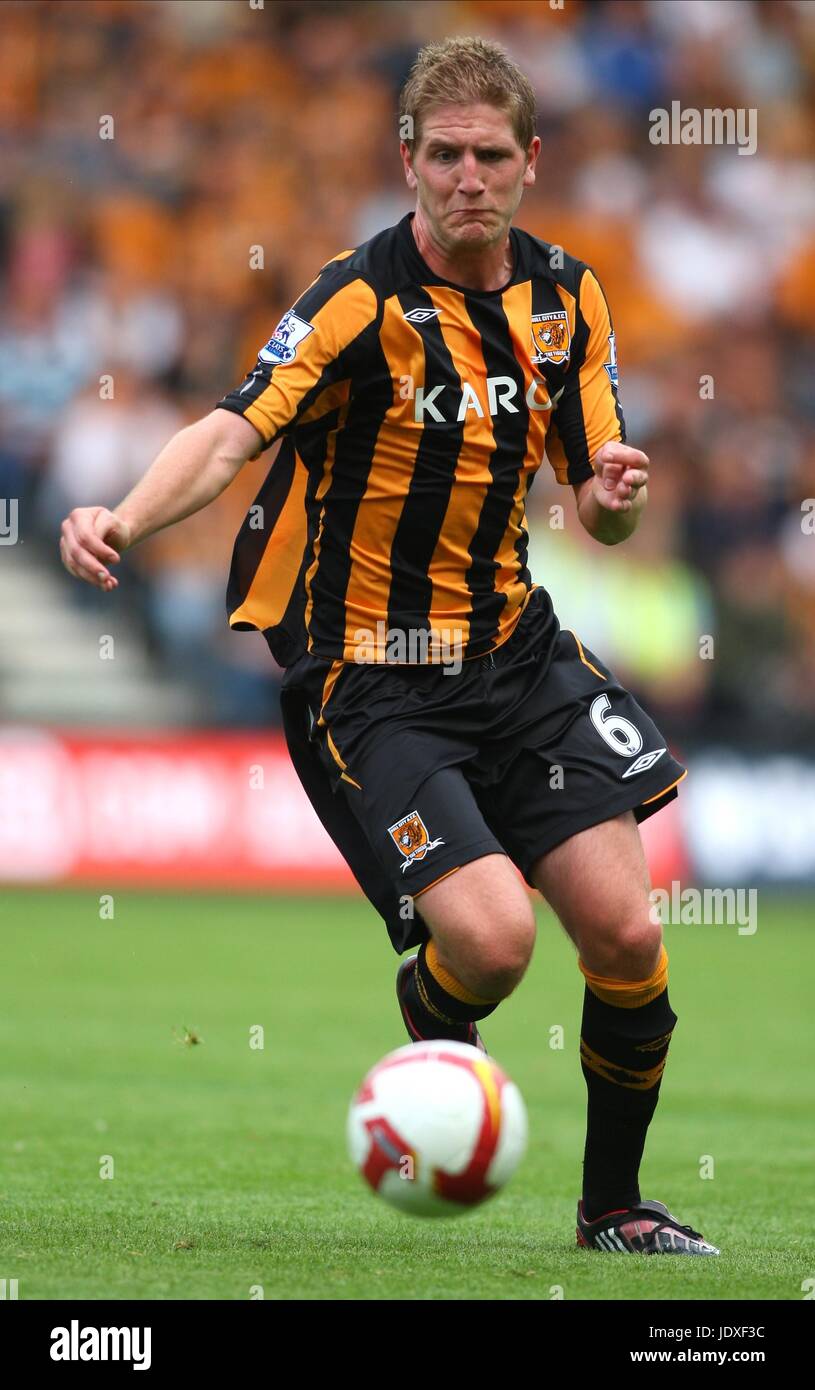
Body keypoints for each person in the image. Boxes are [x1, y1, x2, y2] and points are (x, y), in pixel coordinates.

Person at [59, 36, 718, 1257]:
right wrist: (124, 517)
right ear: (405, 161)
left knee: (625, 938)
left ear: (531, 162)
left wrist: (618, 492)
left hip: (518, 656)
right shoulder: (354, 299)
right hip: (372, 680)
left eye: (491, 156)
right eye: (444, 156)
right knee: (495, 943)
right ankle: (433, 1034)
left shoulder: (568, 298)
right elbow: (230, 431)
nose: (469, 177)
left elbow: (602, 507)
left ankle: (613, 1208)